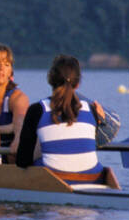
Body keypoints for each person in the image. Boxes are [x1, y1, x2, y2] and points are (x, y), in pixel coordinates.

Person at [15, 54, 120, 188]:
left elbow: (22, 161)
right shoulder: (91, 109)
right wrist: (100, 121)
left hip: (54, 179)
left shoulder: (36, 110)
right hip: (93, 178)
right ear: (77, 84)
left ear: (50, 79)